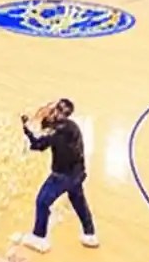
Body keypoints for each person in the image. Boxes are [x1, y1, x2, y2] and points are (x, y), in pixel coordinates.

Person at [15, 99, 97, 253]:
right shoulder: (73, 127)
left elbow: (38, 145)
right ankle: (89, 233)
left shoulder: (55, 132)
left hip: (62, 176)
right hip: (78, 173)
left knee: (42, 201)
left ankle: (39, 237)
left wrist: (26, 128)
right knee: (78, 201)